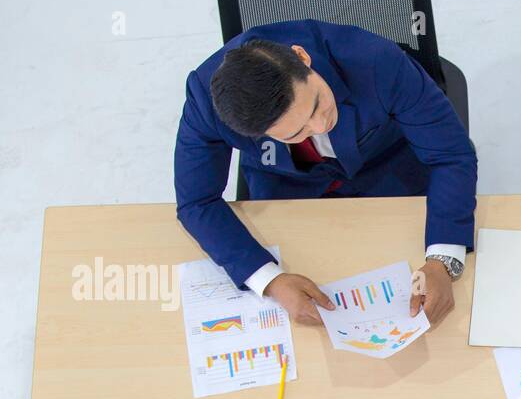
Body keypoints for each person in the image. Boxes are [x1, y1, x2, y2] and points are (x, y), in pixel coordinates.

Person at [175, 19, 477, 327]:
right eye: (296, 132)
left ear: (303, 58)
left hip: (386, 170)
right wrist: (270, 280)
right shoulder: (206, 102)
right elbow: (197, 202)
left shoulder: (373, 60)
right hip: (288, 187)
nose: (320, 127)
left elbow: (450, 154)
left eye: (317, 102)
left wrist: (443, 259)